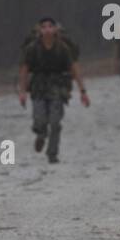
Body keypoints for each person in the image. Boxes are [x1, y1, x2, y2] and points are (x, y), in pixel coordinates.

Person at [17, 16, 89, 163]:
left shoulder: (63, 48)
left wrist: (83, 91)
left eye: (50, 26)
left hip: (58, 87)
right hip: (38, 87)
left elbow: (74, 69)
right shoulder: (32, 49)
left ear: (56, 29)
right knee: (39, 119)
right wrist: (22, 92)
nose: (47, 29)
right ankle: (41, 135)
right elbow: (24, 70)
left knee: (55, 122)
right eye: (44, 26)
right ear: (39, 30)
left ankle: (52, 153)